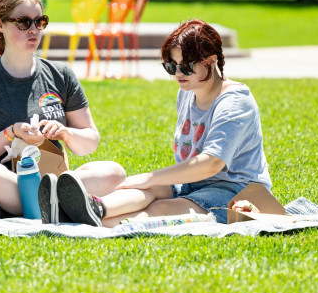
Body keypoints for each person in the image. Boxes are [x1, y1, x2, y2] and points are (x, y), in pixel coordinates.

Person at [51, 19, 272, 227]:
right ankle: (95, 207)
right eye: (170, 66)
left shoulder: (234, 102)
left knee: (162, 206)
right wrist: (149, 181)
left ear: (211, 61)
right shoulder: (187, 91)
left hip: (239, 193)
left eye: (186, 67)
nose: (177, 74)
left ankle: (89, 222)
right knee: (146, 189)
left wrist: (149, 177)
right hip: (193, 184)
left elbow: (211, 163)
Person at [0, 0, 126, 219]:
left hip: (51, 178)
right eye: (24, 22)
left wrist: (66, 133)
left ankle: (41, 205)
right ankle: (58, 204)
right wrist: (11, 133)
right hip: (6, 182)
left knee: (114, 173)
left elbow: (90, 142)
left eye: (40, 21)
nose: (34, 30)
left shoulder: (61, 75)